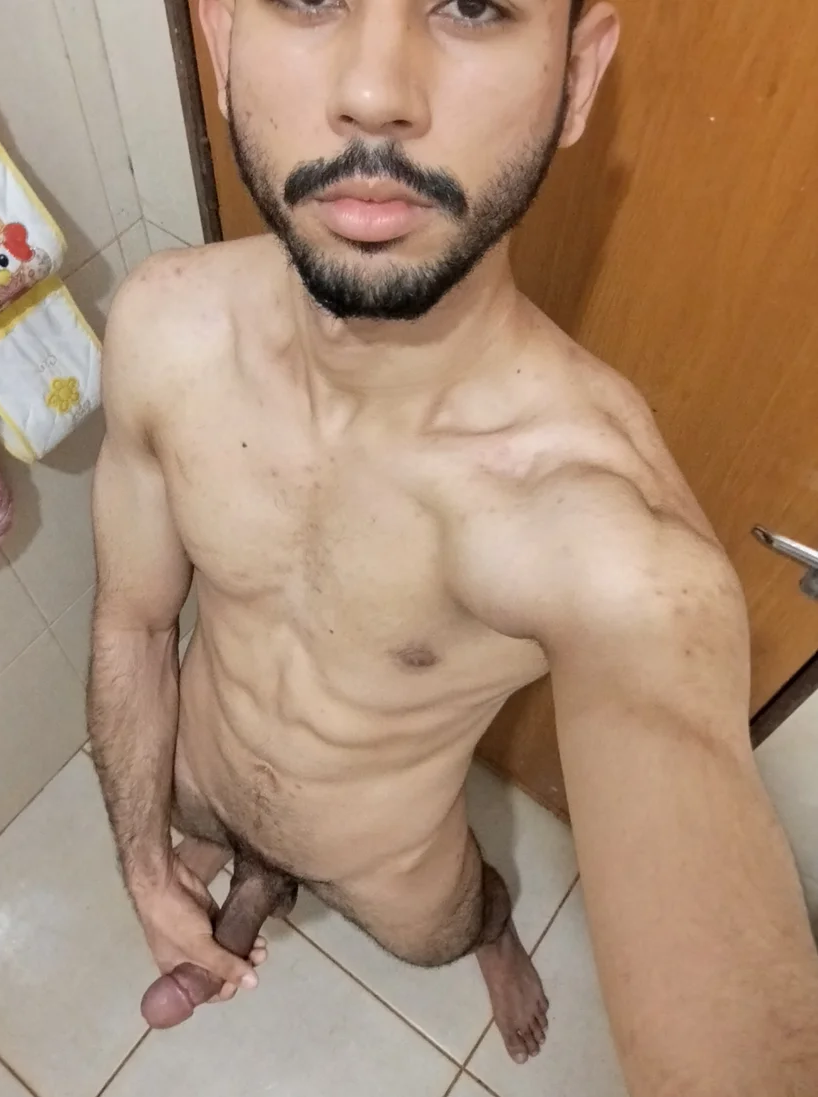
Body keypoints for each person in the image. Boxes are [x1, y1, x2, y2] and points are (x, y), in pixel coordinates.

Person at [87, 0, 818, 1089]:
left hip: (391, 865)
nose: (374, 92)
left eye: (473, 4)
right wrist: (146, 863)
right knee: (214, 854)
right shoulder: (161, 327)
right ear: (223, 37)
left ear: (575, 78)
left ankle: (496, 940)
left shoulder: (604, 534)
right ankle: (249, 877)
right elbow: (136, 623)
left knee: (462, 921)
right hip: (196, 778)